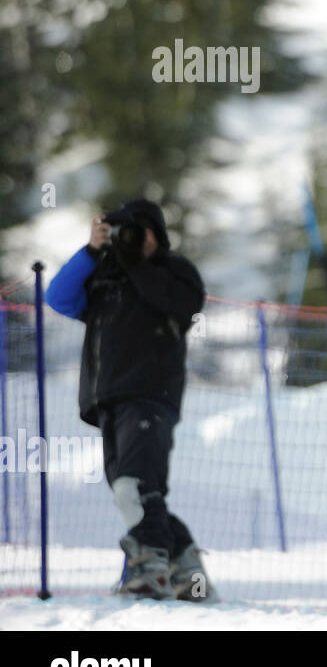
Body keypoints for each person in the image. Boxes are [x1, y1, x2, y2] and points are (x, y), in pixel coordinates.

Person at [45, 199, 214, 601]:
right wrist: (91, 252)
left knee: (132, 487)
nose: (133, 240)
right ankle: (189, 574)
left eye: (141, 232)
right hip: (108, 400)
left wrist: (137, 262)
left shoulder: (175, 272)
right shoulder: (106, 276)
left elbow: (182, 305)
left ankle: (150, 573)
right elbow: (58, 298)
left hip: (152, 395)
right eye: (126, 232)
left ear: (157, 235)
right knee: (137, 491)